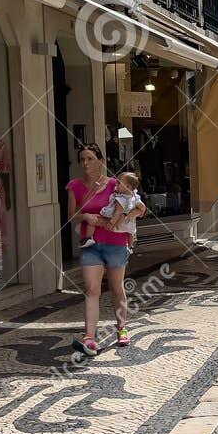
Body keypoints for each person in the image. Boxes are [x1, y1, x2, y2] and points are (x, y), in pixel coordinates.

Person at [66, 142, 145, 358]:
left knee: (116, 287)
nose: (86, 163)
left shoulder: (115, 184)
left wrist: (126, 218)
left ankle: (122, 328)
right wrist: (85, 217)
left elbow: (139, 207)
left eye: (90, 158)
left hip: (115, 243)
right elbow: (71, 215)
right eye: (82, 159)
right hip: (90, 244)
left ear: (100, 161)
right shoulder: (74, 186)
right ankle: (89, 336)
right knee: (91, 290)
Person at [84, 171, 144, 247]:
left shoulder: (121, 199)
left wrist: (111, 223)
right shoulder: (133, 196)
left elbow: (117, 213)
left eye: (118, 183)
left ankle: (88, 239)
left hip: (115, 224)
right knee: (131, 233)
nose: (116, 185)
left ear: (128, 187)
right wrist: (137, 212)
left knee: (92, 221)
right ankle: (130, 247)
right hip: (127, 225)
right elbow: (143, 209)